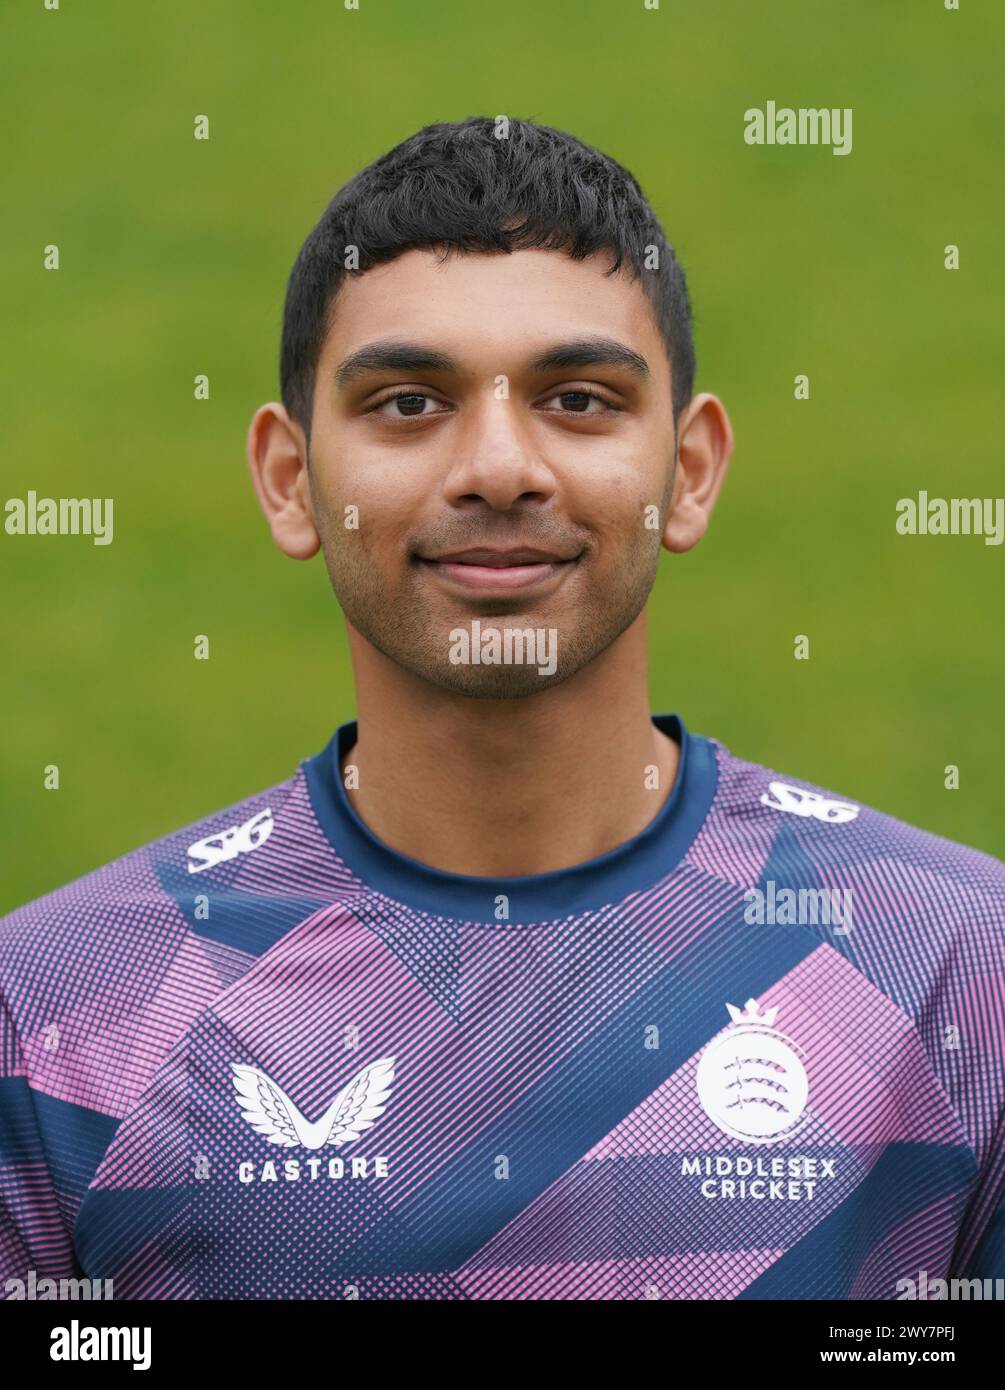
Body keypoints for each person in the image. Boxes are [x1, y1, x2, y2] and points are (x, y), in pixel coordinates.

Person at [2, 117, 1002, 1302]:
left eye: (577, 398)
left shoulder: (955, 970)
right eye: (409, 403)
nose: (499, 467)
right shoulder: (57, 1010)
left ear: (688, 473)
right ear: (291, 481)